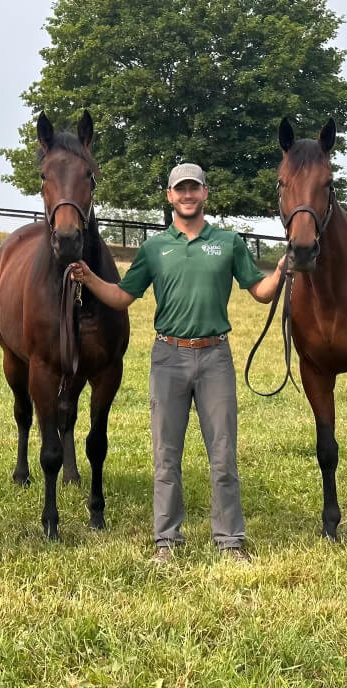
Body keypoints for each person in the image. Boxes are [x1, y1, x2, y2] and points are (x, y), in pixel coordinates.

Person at [69, 163, 285, 565]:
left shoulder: (228, 243)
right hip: (168, 357)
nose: (187, 195)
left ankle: (230, 541)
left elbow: (261, 291)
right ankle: (166, 540)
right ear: (169, 196)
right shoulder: (154, 249)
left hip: (215, 355)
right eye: (180, 189)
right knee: (166, 454)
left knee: (223, 454)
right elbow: (122, 297)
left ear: (205, 193)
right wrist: (88, 279)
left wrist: (286, 264)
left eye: (194, 188)